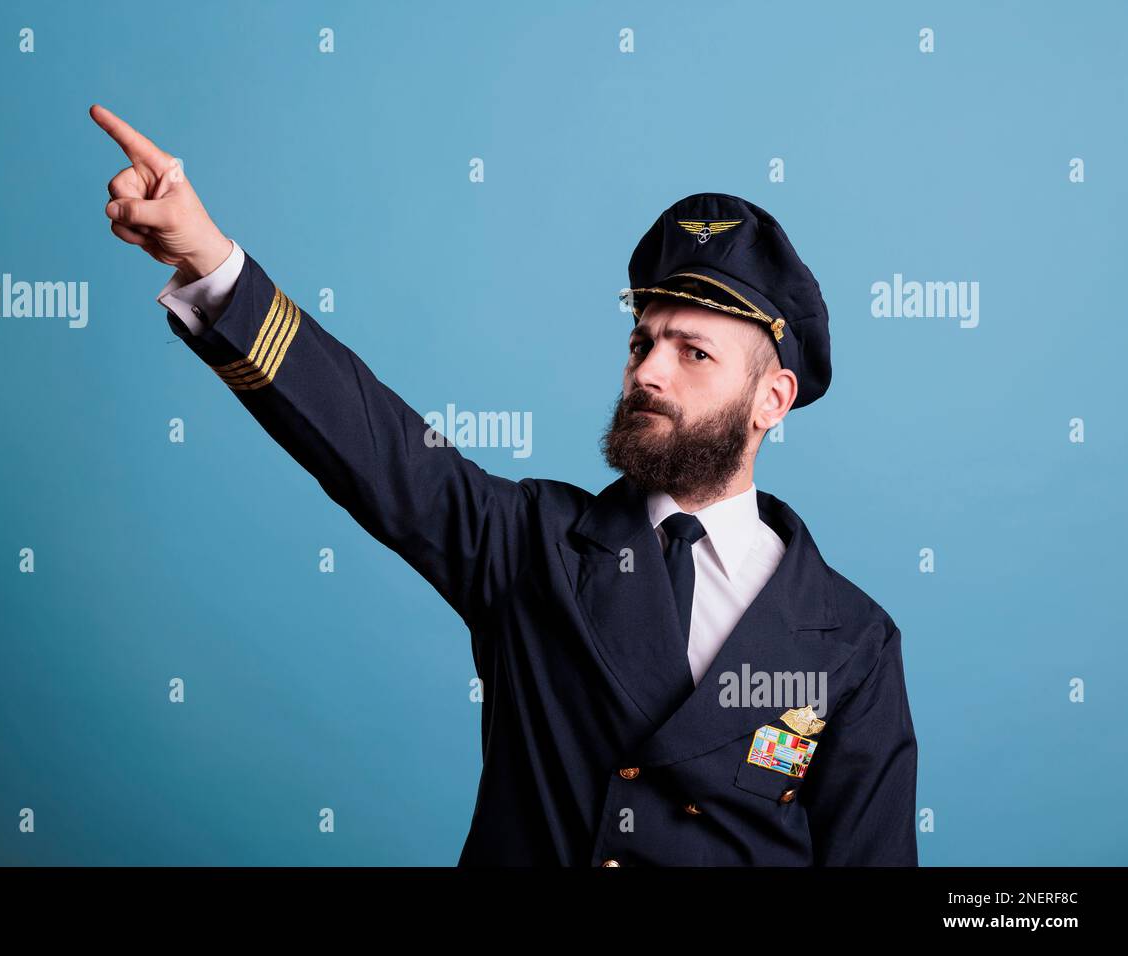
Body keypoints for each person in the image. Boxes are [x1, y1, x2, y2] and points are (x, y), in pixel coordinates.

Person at [90, 104, 919, 866]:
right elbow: (370, 441)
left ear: (770, 401)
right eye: (641, 343)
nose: (649, 372)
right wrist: (210, 261)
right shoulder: (532, 544)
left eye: (693, 352)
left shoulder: (852, 639)